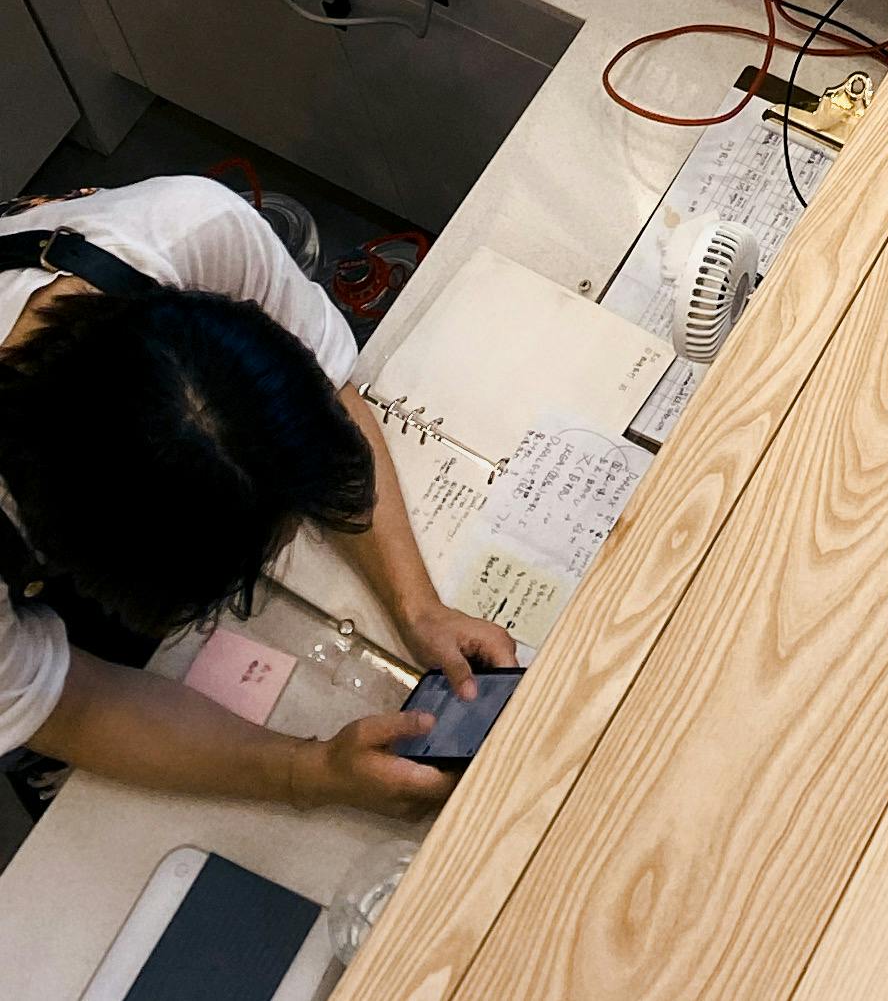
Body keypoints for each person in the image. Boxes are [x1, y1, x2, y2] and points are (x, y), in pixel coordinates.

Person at [0, 176, 516, 810]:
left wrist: (418, 606)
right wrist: (306, 772)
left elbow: (324, 392)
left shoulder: (194, 232)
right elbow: (61, 703)